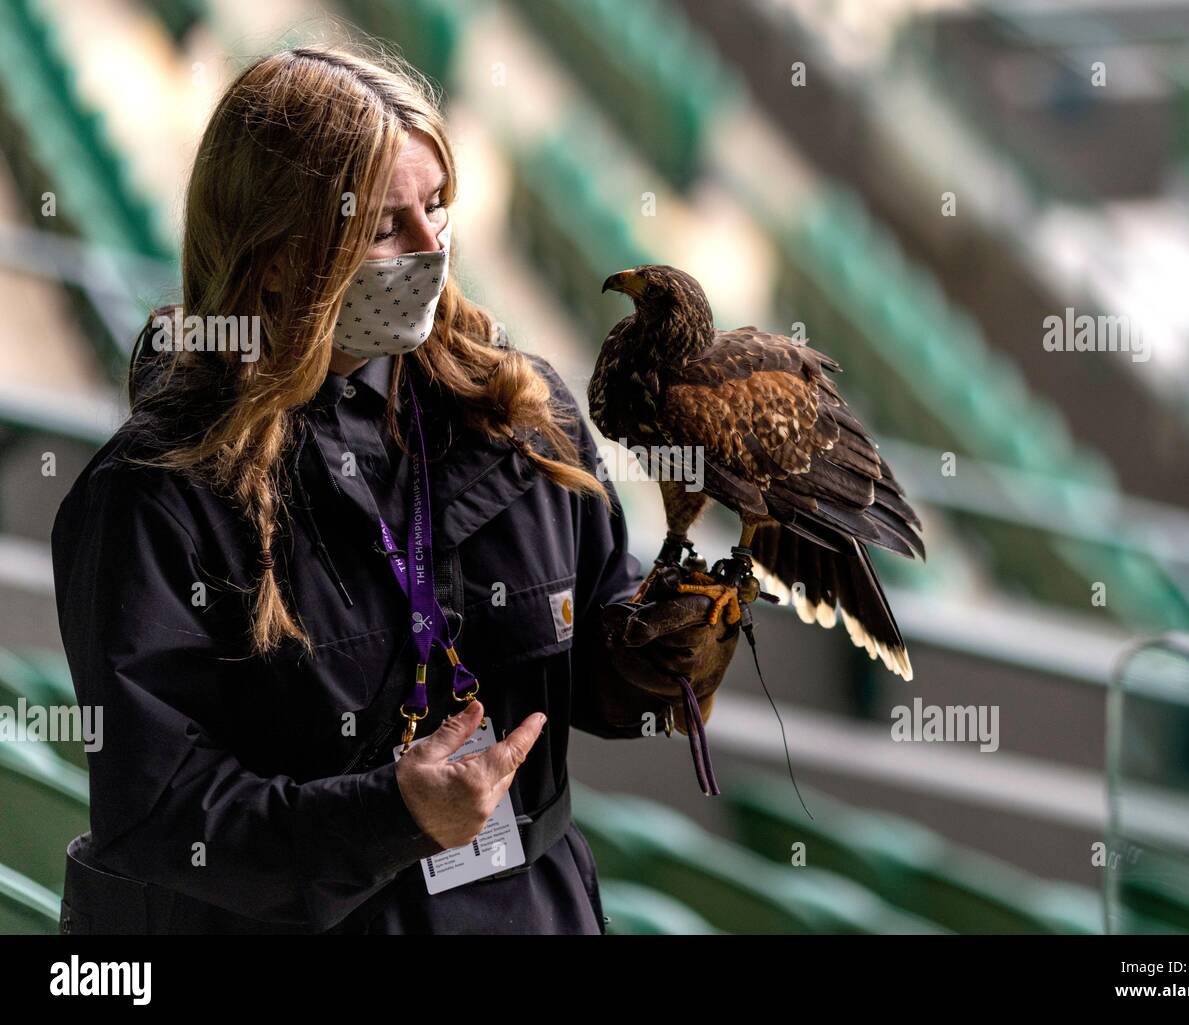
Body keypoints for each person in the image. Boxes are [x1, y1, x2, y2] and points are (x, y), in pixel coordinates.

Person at [50, 44, 739, 935]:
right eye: (381, 226)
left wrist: (659, 659)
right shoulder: (157, 495)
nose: (429, 248)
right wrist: (391, 815)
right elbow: (160, 814)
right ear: (272, 256)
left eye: (437, 207)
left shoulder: (525, 418)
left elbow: (585, 653)